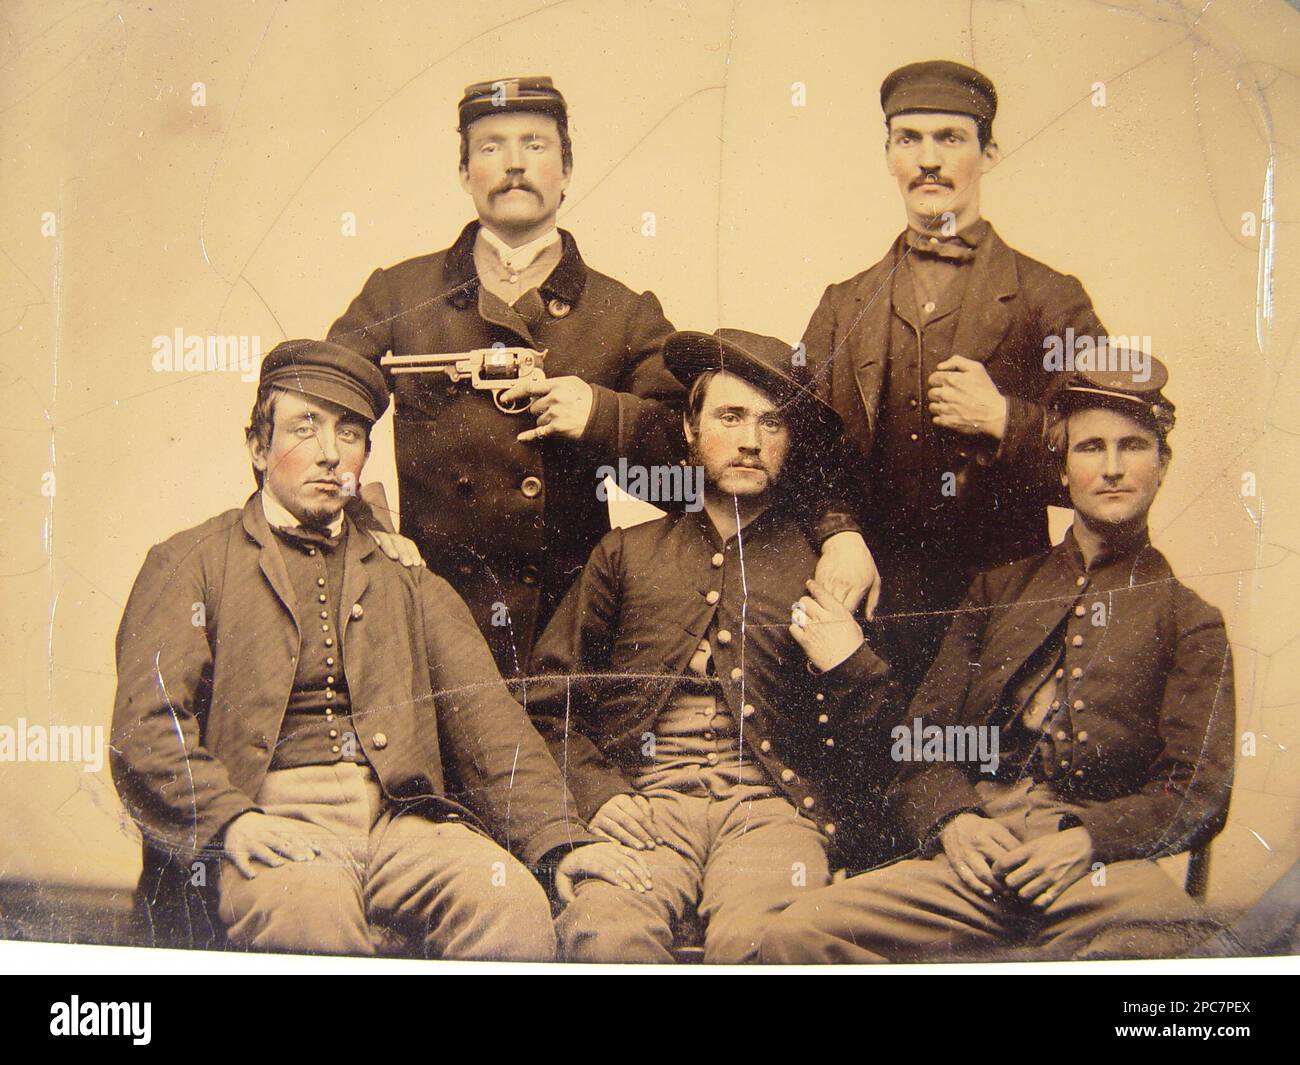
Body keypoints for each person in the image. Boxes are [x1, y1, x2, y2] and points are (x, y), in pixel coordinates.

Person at [111, 339, 646, 960]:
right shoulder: (190, 563)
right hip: (271, 821)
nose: (329, 454)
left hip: (399, 822)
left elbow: (489, 725)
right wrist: (232, 820)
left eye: (351, 433)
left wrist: (560, 842)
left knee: (508, 903)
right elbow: (145, 729)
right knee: (309, 916)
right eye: (303, 429)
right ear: (258, 447)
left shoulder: (405, 576)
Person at [329, 75, 874, 677]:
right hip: (431, 612)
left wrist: (601, 417)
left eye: (535, 145)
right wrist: (364, 524)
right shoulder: (398, 296)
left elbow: (693, 478)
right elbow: (315, 409)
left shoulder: (625, 313)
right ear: (464, 173)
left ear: (567, 169)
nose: (514, 164)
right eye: (490, 147)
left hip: (567, 625)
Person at [760, 355, 1236, 962]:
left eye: (1133, 446)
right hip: (980, 855)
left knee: (1165, 950)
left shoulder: (1190, 620)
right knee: (799, 936)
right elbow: (923, 740)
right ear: (1062, 470)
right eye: (1090, 447)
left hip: (1099, 871)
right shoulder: (997, 591)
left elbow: (1197, 790)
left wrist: (1089, 839)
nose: (1113, 467)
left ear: (1162, 465)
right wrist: (953, 820)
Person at [526, 329, 899, 963]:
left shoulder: (830, 565)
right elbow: (548, 704)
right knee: (605, 933)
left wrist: (850, 664)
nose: (752, 440)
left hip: (771, 811)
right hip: (644, 805)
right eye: (731, 416)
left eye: (772, 424)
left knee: (765, 940)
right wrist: (599, 794)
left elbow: (882, 744)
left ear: (791, 443)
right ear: (692, 430)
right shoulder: (625, 553)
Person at [800, 60, 1107, 690]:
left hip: (1005, 602)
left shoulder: (1049, 297)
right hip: (869, 598)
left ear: (988, 152)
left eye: (951, 138)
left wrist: (1005, 420)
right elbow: (801, 447)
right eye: (908, 138)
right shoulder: (843, 304)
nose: (928, 160)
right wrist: (840, 534)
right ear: (888, 153)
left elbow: (1117, 459)